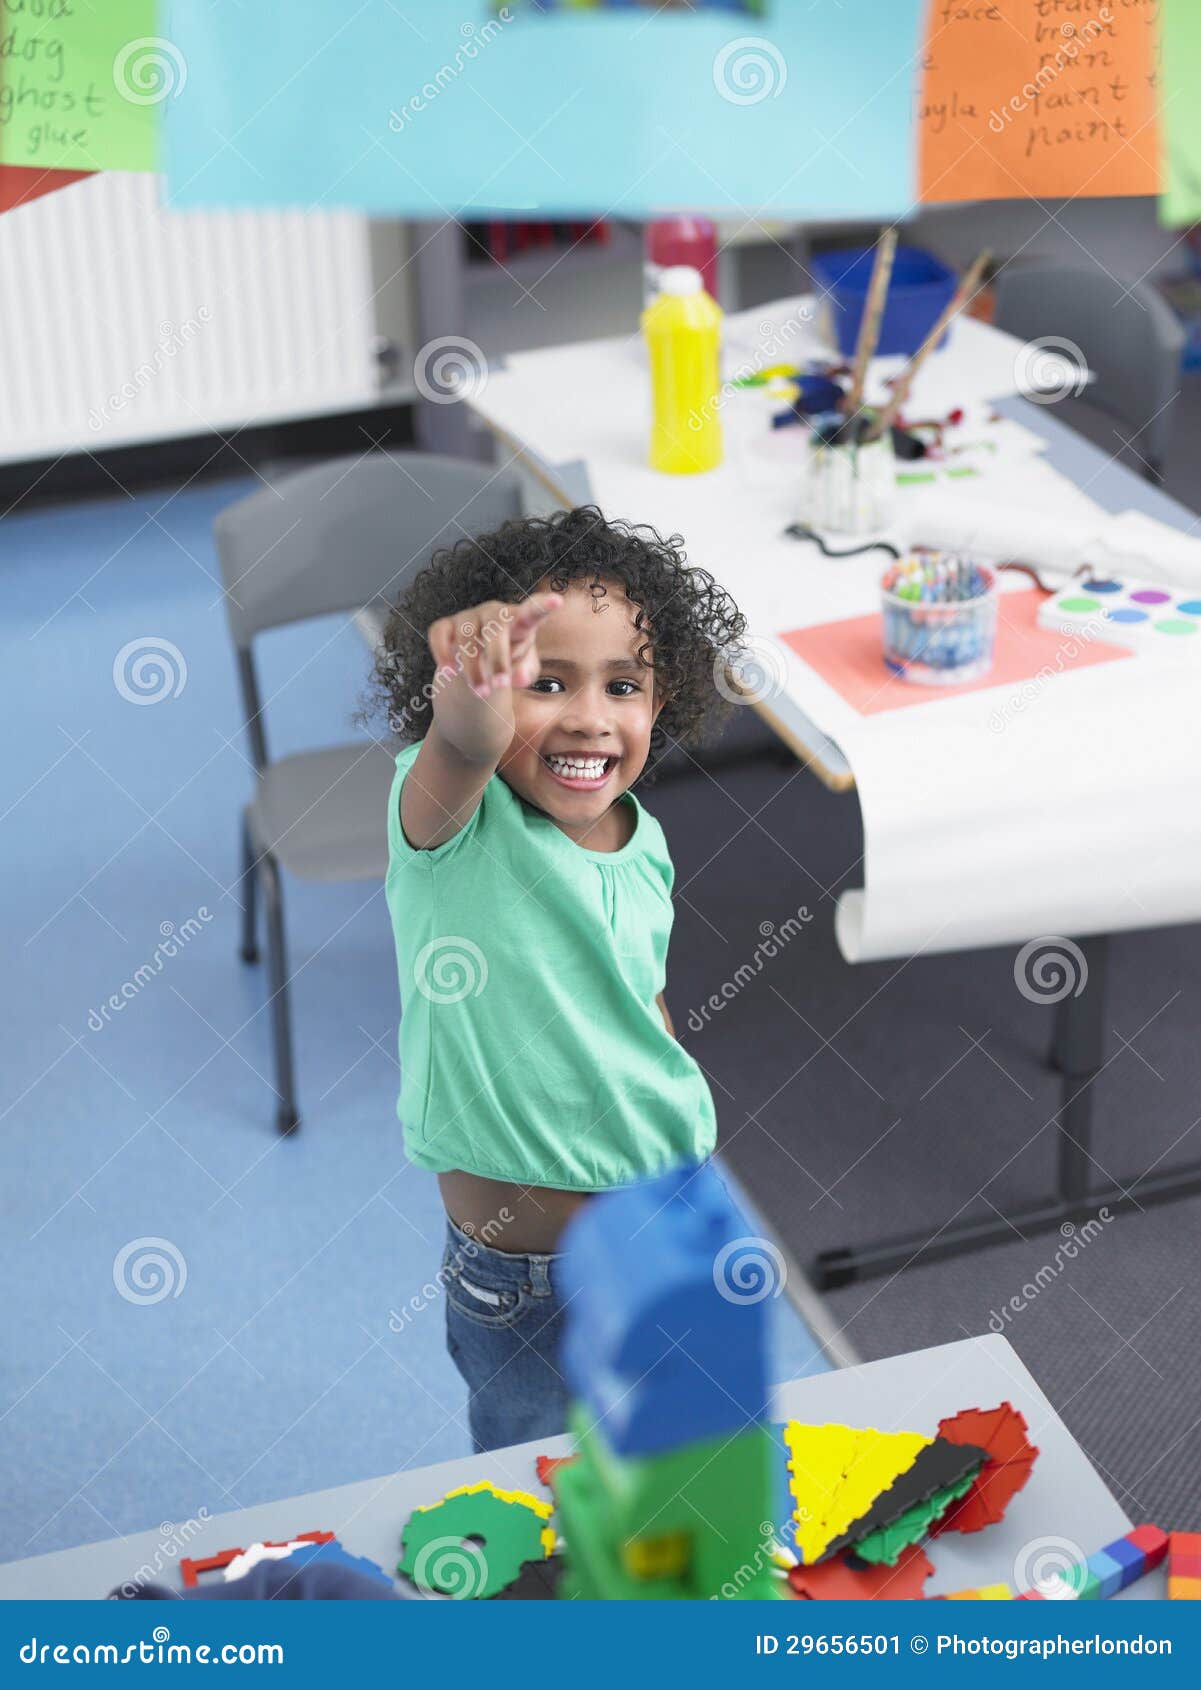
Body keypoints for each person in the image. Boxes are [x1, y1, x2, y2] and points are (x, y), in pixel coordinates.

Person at [372, 505, 746, 1450]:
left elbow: (639, 995)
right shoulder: (447, 821)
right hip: (520, 1278)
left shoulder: (644, 841)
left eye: (623, 685)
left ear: (662, 707)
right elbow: (461, 745)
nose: (588, 716)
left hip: (666, 1224)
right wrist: (472, 709)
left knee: (679, 1461)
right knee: (530, 1488)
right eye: (546, 683)